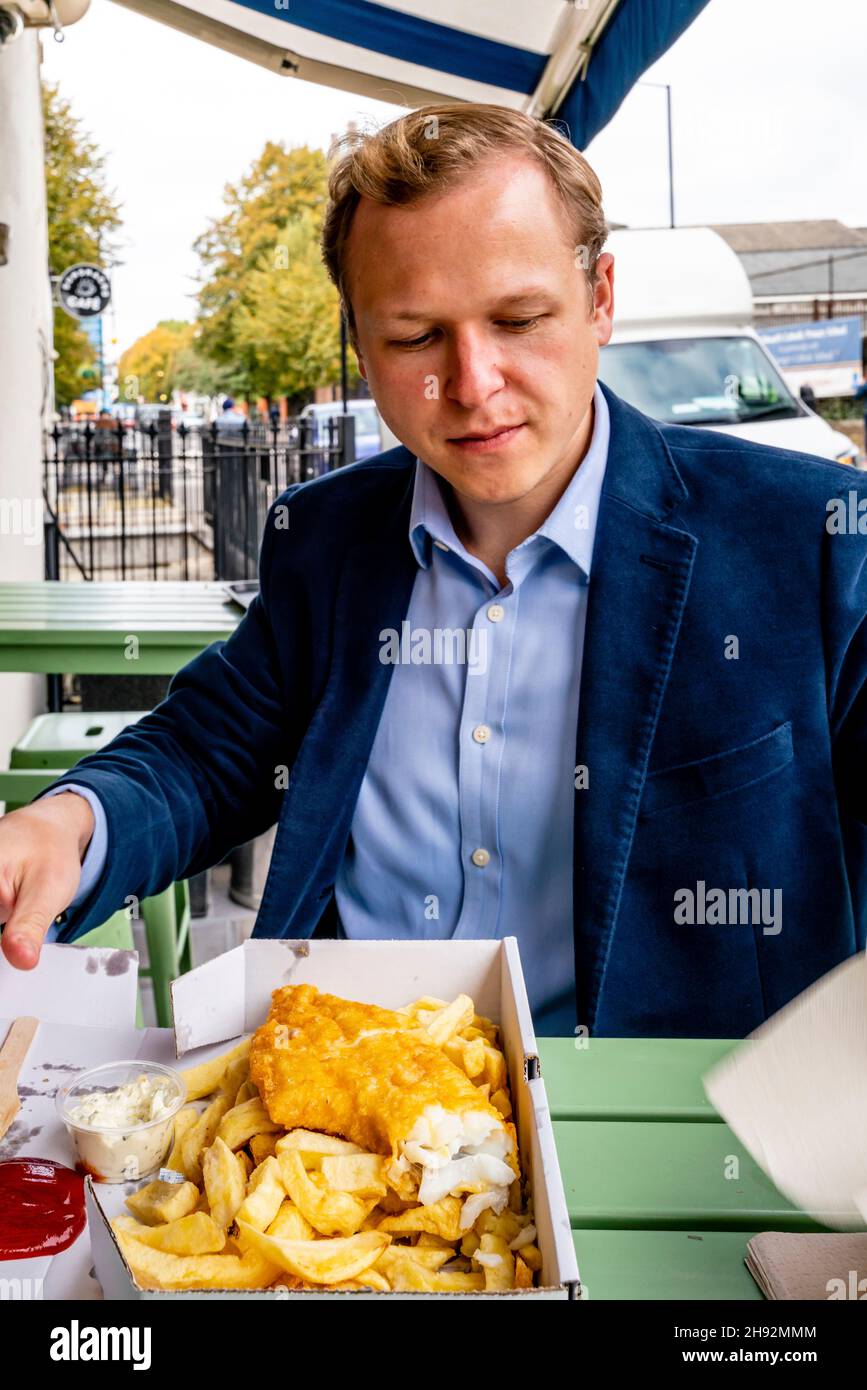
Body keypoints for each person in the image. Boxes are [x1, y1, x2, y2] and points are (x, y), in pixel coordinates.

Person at [1, 103, 865, 1038]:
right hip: (347, 1098)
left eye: (519, 317)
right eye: (414, 337)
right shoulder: (326, 536)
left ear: (600, 297)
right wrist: (66, 827)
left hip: (656, 1133)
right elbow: (211, 752)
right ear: (362, 344)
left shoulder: (806, 541)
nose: (471, 382)